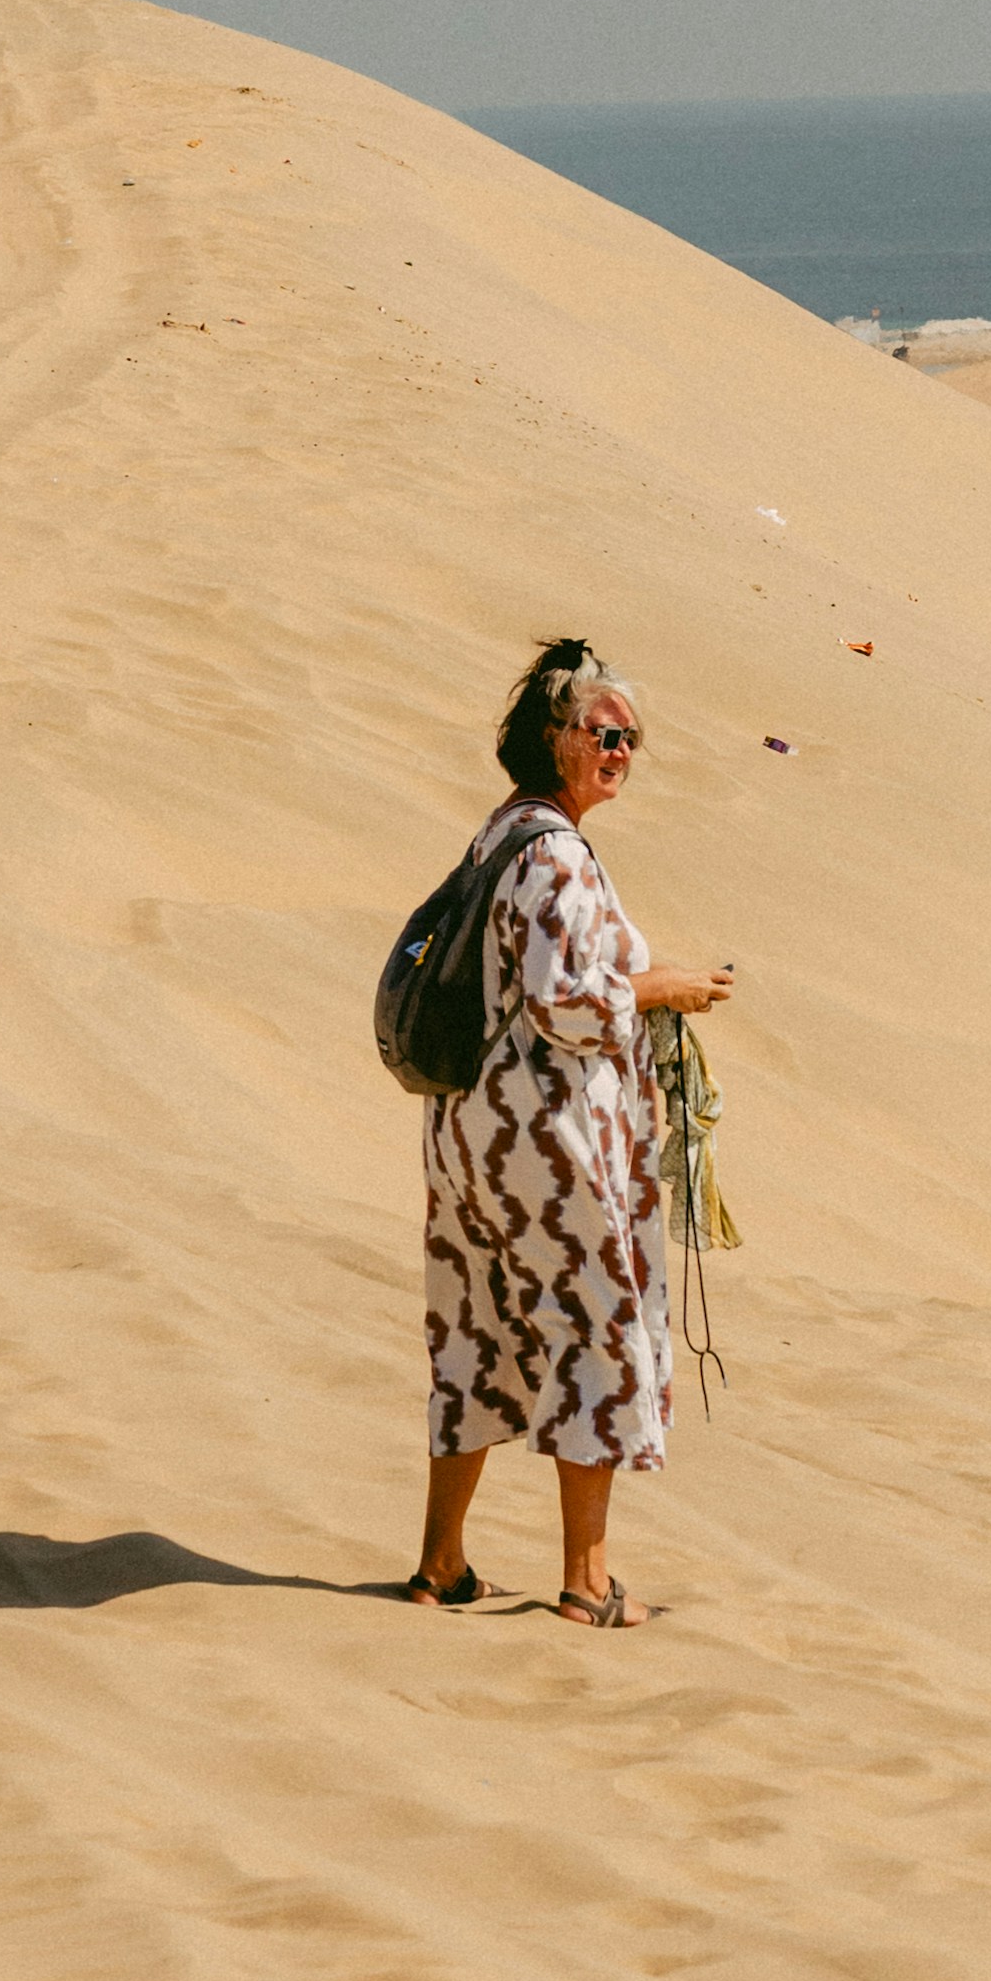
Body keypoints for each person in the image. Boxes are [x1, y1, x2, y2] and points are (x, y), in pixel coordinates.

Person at [403, 640, 736, 1629]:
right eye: (602, 732)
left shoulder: (500, 835)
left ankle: (441, 1563)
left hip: (469, 1129)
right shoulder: (554, 853)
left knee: (476, 1327)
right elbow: (565, 1001)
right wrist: (658, 987)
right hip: (547, 1142)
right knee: (597, 1329)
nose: (620, 749)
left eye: (631, 736)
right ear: (552, 739)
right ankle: (587, 1584)